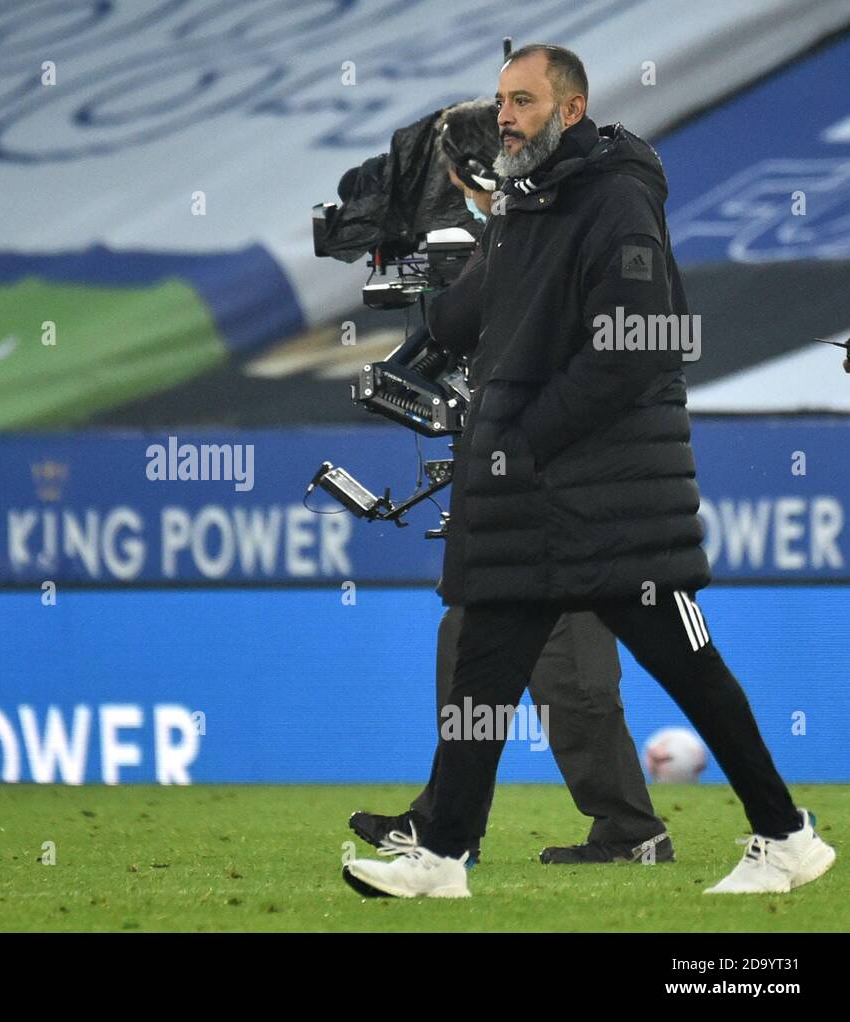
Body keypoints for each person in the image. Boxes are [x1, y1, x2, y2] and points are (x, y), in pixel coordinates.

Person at [342, 44, 835, 899]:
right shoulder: (527, 206)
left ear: (570, 110)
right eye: (500, 101)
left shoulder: (615, 198)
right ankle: (443, 854)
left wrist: (528, 438)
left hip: (613, 504)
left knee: (694, 672)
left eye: (522, 101)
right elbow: (469, 315)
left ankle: (786, 834)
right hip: (532, 504)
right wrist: (420, 282)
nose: (504, 117)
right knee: (484, 676)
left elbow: (640, 347)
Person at [348, 101, 673, 867]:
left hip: (564, 485)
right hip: (553, 485)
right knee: (490, 653)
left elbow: (472, 327)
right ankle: (457, 826)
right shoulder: (564, 215)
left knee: (562, 665)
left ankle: (627, 831)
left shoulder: (543, 226)